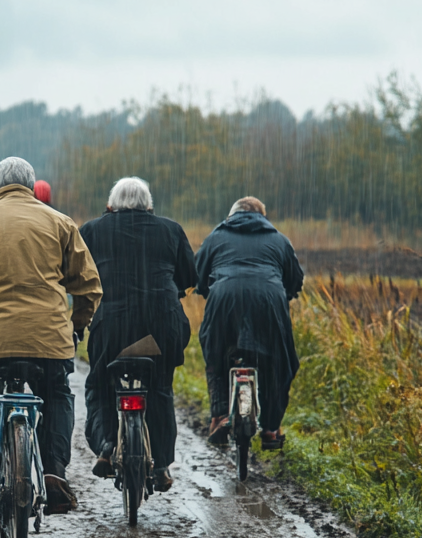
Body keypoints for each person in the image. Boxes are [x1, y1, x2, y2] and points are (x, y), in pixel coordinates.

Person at [0, 156, 102, 513]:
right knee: (57, 391)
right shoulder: (60, 223)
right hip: (47, 339)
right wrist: (75, 326)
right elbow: (88, 286)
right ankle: (55, 471)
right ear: (32, 188)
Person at [79, 177, 196, 491]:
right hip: (162, 325)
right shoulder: (171, 230)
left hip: (112, 326)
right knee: (160, 388)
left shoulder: (92, 230)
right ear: (150, 207)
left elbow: (77, 278)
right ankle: (160, 465)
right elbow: (189, 276)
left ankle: (105, 446)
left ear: (110, 207)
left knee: (100, 385)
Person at [194, 196, 304, 449]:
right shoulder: (279, 239)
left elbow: (198, 275)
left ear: (231, 216)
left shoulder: (215, 237)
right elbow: (295, 280)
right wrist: (284, 294)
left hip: (225, 298)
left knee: (215, 353)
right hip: (268, 299)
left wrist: (206, 289)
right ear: (262, 216)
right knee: (279, 362)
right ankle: (270, 429)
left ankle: (220, 415)